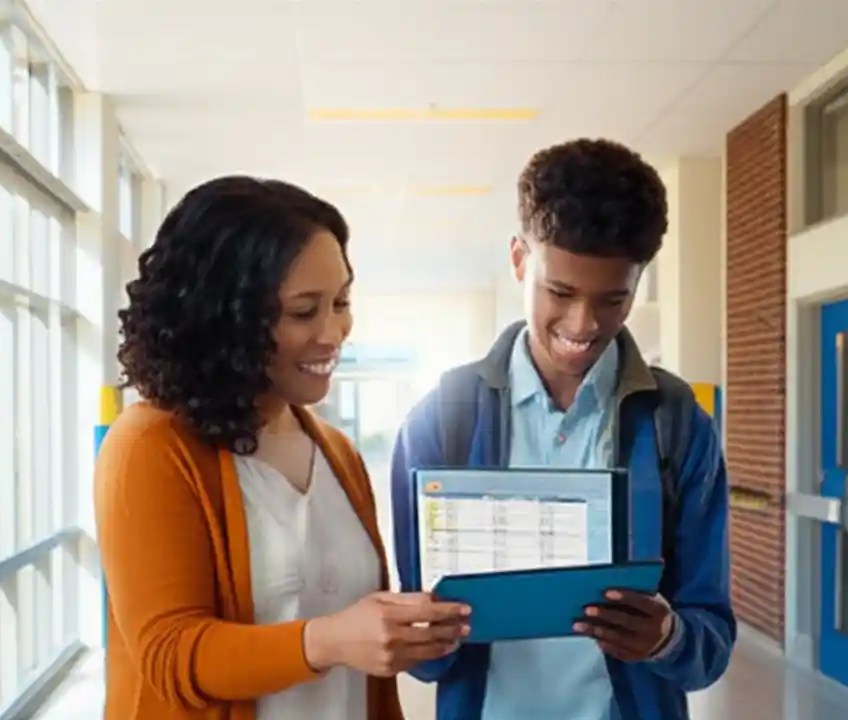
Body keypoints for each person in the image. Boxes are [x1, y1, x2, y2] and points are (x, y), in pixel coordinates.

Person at [96, 176, 470, 720]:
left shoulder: (339, 454)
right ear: (228, 318)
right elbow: (171, 653)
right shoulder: (150, 446)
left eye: (341, 301)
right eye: (303, 311)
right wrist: (328, 641)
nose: (334, 332)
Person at [390, 139, 735, 719]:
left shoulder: (677, 425)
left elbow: (711, 644)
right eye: (561, 292)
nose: (583, 324)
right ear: (521, 259)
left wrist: (667, 638)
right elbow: (422, 655)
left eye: (613, 299)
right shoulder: (441, 419)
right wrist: (424, 636)